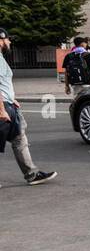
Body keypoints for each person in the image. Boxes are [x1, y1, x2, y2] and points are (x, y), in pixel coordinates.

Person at [0, 28, 58, 188]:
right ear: (1, 40)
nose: (10, 42)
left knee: (19, 138)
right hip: (2, 106)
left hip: (8, 104)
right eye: (8, 39)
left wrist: (13, 99)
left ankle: (32, 174)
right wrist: (2, 109)